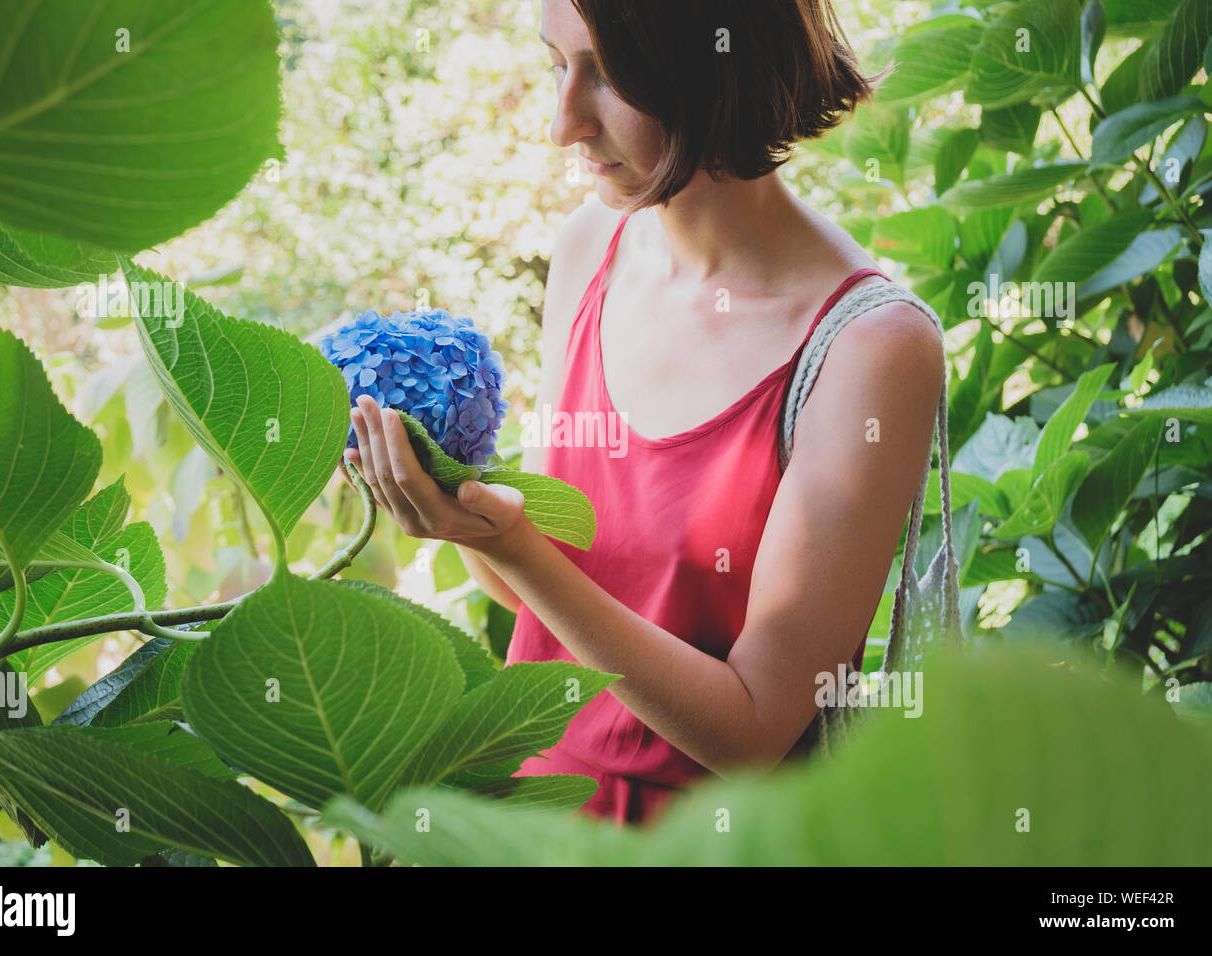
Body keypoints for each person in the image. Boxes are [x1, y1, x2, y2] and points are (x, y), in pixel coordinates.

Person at [338, 0, 946, 827]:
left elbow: (753, 729)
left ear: (719, 65)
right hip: (533, 813)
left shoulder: (869, 347)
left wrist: (511, 544)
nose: (563, 125)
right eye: (557, 65)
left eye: (611, 76)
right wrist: (458, 509)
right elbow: (549, 603)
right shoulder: (591, 246)